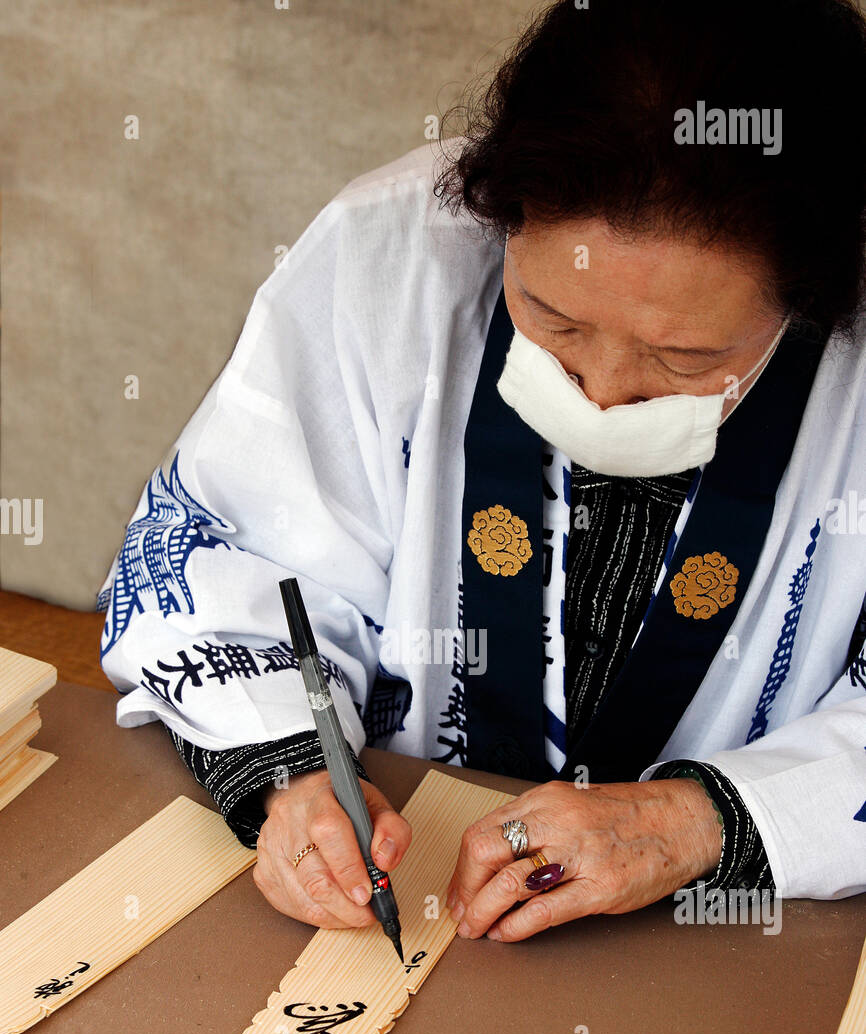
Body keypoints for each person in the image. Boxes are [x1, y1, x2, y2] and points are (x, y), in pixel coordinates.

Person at [98, 0, 866, 944]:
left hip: (744, 945)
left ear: (814, 299)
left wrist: (689, 824)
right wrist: (294, 771)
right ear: (501, 213)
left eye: (683, 360)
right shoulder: (390, 253)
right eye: (556, 319)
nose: (603, 396)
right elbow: (228, 546)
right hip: (409, 871)